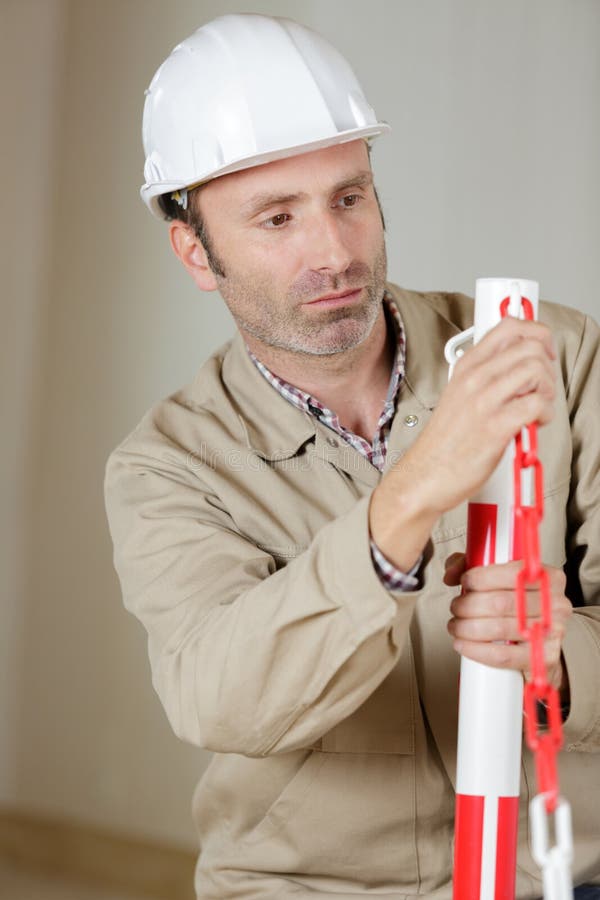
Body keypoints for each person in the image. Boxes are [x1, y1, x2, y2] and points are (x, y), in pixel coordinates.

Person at [104, 13, 600, 899]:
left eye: (348, 197)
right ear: (196, 252)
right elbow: (220, 696)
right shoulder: (167, 466)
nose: (333, 252)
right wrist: (406, 502)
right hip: (313, 888)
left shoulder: (552, 358)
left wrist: (559, 662)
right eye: (277, 218)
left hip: (560, 872)